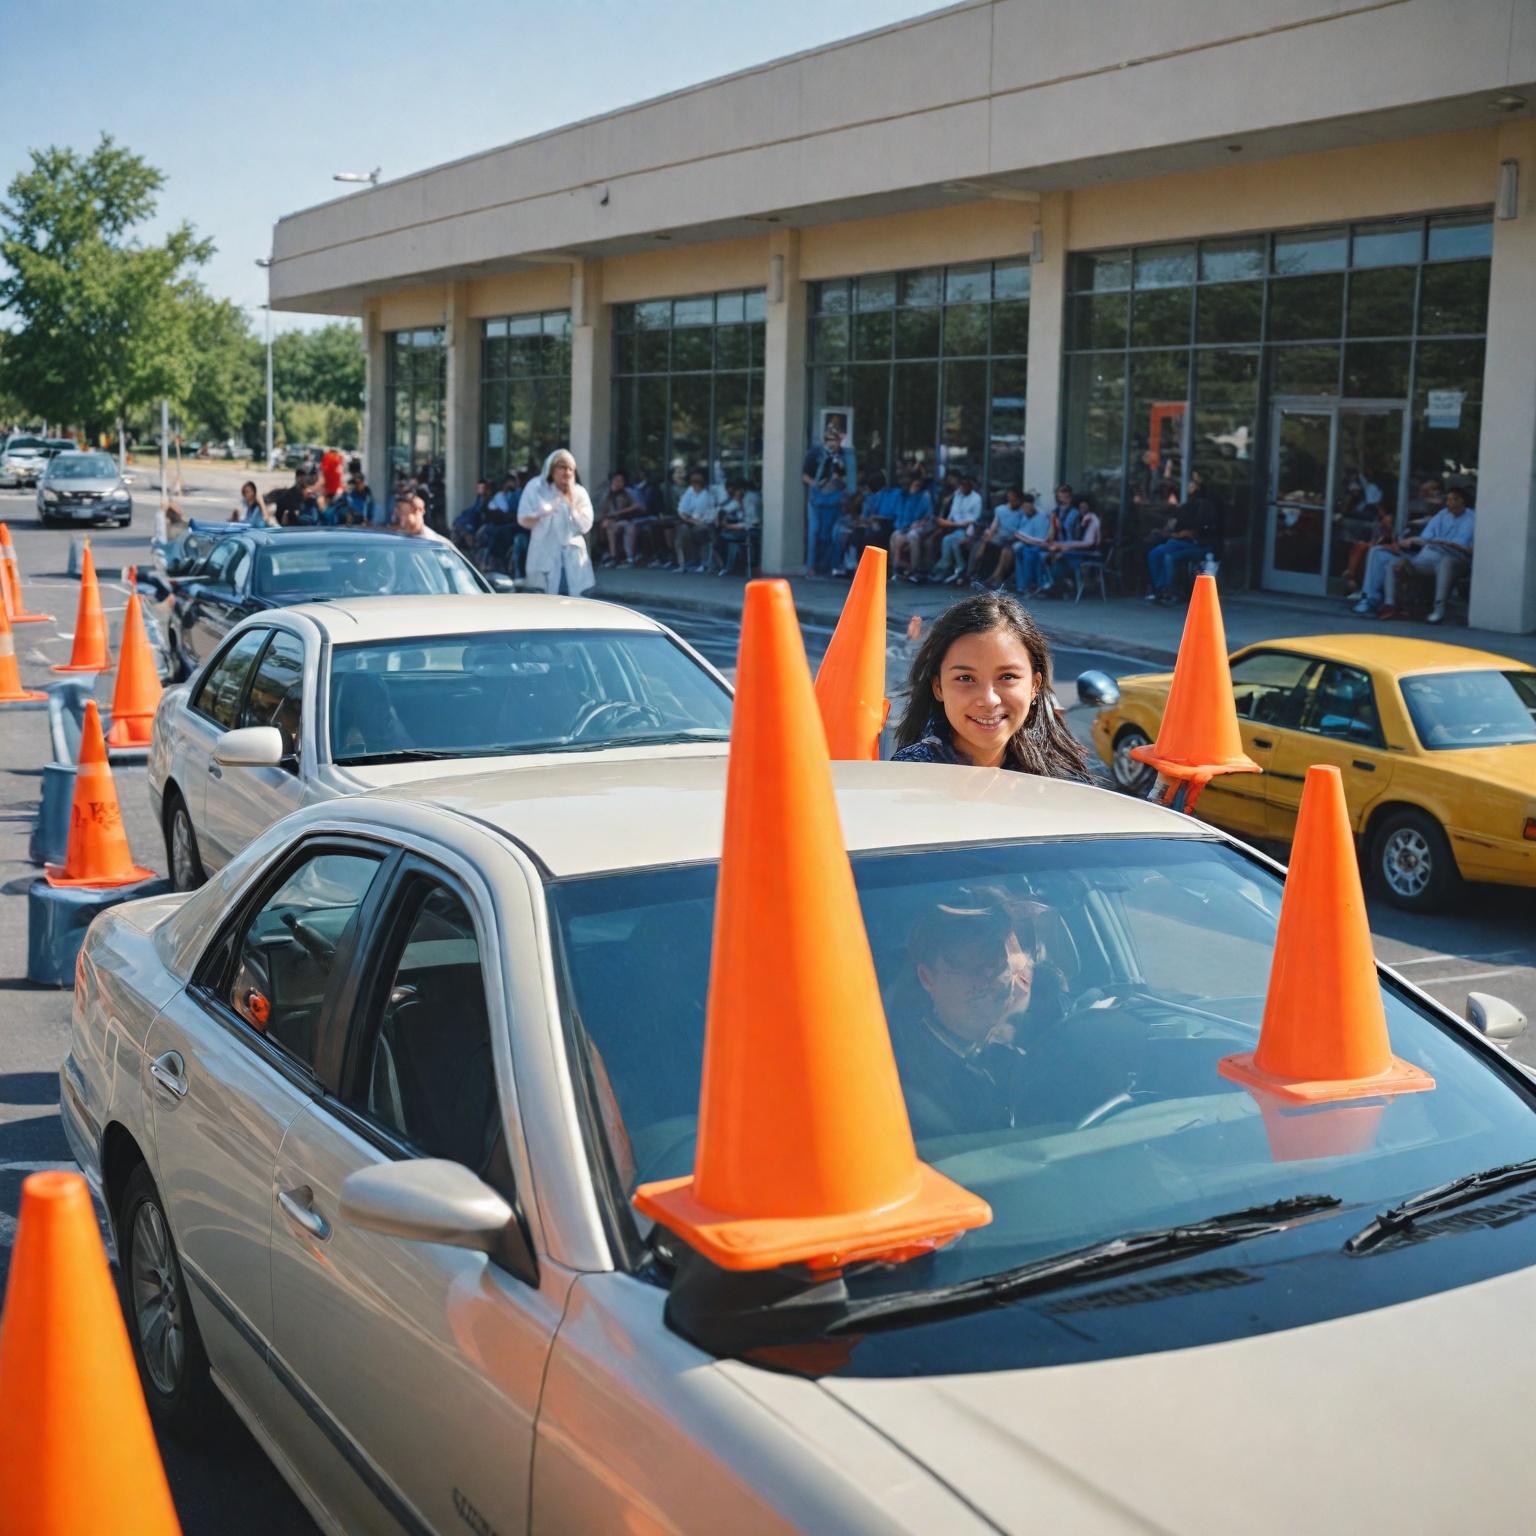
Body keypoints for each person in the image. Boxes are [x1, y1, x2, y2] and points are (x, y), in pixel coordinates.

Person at [888, 896, 1065, 1139]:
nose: (986, 982)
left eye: (995, 964)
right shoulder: (907, 1082)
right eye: (964, 968)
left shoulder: (1028, 1041)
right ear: (928, 979)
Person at [891, 588, 1092, 779]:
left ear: (1035, 686)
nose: (989, 700)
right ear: (938, 687)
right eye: (965, 678)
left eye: (1007, 677)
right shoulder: (910, 776)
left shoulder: (1063, 784)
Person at [1365, 486, 1476, 624]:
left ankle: (1439, 609)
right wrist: (1418, 542)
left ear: (1462, 501)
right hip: (1429, 555)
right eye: (1448, 499)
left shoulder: (1472, 518)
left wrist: (1435, 541)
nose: (1449, 503)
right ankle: (1390, 605)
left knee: (1446, 562)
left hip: (1456, 558)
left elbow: (1459, 544)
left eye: (1453, 499)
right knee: (1394, 563)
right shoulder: (1442, 514)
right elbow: (1426, 536)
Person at [519, 448, 595, 596]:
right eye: (562, 467)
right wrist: (543, 513)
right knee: (545, 603)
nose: (566, 472)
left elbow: (586, 524)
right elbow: (523, 517)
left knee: (572, 602)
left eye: (570, 469)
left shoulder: (579, 493)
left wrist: (572, 507)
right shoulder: (536, 488)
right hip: (544, 555)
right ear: (552, 469)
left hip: (571, 560)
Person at [1144, 471, 1222, 604]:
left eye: (1193, 487)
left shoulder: (1209, 506)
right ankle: (1159, 588)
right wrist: (1175, 531)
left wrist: (1190, 532)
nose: (1190, 490)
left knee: (1169, 557)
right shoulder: (1186, 507)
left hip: (1200, 543)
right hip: (1182, 540)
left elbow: (1205, 528)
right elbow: (1178, 524)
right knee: (1155, 553)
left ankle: (1170, 591)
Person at [802, 416, 856, 577]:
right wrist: (816, 484)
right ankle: (812, 566)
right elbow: (805, 475)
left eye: (834, 439)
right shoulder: (816, 452)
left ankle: (829, 565)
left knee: (830, 533)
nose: (831, 442)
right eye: (828, 439)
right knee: (815, 531)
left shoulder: (845, 456)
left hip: (835, 498)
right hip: (818, 497)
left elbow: (850, 480)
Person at [930, 475, 984, 584]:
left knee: (950, 540)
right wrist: (945, 523)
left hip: (968, 529)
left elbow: (973, 520)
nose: (962, 488)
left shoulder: (976, 498)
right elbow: (953, 512)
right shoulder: (957, 494)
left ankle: (955, 567)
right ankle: (950, 567)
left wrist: (951, 524)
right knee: (943, 539)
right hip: (953, 527)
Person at [968, 487, 1026, 586]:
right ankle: (978, 574)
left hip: (1014, 537)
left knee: (1006, 550)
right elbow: (994, 527)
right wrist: (985, 541)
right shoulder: (1001, 510)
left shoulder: (1022, 512)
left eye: (1014, 499)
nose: (1012, 501)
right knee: (988, 544)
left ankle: (996, 577)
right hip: (1000, 535)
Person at [1047, 495, 1103, 593]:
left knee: (1060, 557)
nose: (1082, 510)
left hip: (1088, 555)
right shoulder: (1078, 520)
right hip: (1076, 552)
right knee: (1054, 557)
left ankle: (1064, 586)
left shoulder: (1093, 522)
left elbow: (1088, 544)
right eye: (1080, 508)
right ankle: (1061, 585)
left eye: (1084, 508)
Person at [888, 473, 936, 581]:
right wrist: (902, 529)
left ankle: (915, 570)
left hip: (919, 527)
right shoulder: (903, 496)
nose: (917, 486)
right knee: (895, 536)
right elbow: (899, 515)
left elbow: (928, 516)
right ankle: (896, 569)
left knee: (912, 536)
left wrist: (916, 525)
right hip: (904, 527)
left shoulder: (925, 496)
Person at [674, 468, 719, 572]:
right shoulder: (689, 491)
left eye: (698, 481)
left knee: (699, 533)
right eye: (693, 481)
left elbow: (699, 513)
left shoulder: (707, 494)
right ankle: (682, 564)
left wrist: (689, 517)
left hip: (705, 523)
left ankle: (705, 563)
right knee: (680, 533)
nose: (695, 484)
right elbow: (682, 508)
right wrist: (688, 518)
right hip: (690, 522)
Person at [1011, 494, 1057, 595]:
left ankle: (1028, 584)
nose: (1028, 509)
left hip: (1040, 544)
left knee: (1029, 553)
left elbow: (1048, 529)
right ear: (1022, 507)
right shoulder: (1020, 516)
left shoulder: (1042, 515)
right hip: (1027, 543)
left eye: (1030, 506)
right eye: (1026, 507)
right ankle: (1023, 585)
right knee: (1020, 551)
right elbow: (1016, 533)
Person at [716, 478, 761, 574]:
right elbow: (728, 509)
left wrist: (735, 526)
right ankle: (731, 565)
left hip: (752, 530)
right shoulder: (741, 501)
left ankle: (729, 566)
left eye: (734, 494)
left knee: (722, 538)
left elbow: (753, 521)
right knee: (721, 534)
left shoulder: (749, 500)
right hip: (745, 528)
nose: (733, 497)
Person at [595, 471, 639, 566]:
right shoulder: (607, 495)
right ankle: (612, 555)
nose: (618, 483)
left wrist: (620, 512)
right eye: (616, 481)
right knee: (607, 527)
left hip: (624, 520)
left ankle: (628, 556)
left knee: (628, 528)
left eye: (621, 481)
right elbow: (603, 510)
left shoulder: (627, 494)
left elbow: (636, 506)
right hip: (611, 521)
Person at [452, 479, 494, 552]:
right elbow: (474, 510)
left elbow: (483, 513)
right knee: (458, 525)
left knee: (469, 530)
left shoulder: (492, 500)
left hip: (481, 523)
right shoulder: (480, 498)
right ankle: (455, 549)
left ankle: (472, 549)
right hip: (472, 520)